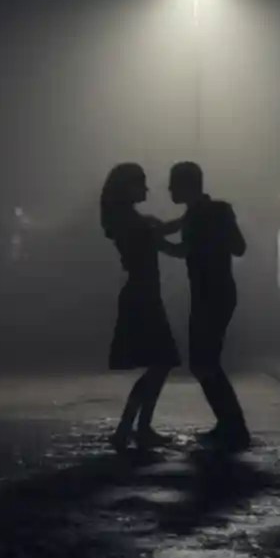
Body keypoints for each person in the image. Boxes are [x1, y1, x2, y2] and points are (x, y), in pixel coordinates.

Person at [159, 161, 251, 451]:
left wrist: (155, 243)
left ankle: (234, 427)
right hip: (218, 292)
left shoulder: (203, 215)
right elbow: (239, 247)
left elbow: (183, 250)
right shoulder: (212, 211)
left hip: (211, 294)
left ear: (187, 185)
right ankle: (230, 425)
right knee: (205, 361)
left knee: (203, 362)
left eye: (173, 184)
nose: (169, 189)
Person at [100, 163, 182, 452]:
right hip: (142, 297)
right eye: (141, 183)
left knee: (160, 364)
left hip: (143, 295)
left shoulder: (131, 220)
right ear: (127, 187)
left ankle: (132, 428)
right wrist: (194, 216)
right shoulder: (132, 222)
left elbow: (169, 245)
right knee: (161, 363)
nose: (146, 189)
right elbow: (164, 237)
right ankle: (134, 428)